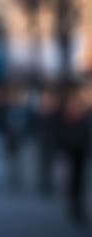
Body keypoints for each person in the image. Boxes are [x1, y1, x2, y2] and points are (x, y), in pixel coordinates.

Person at [58, 84, 91, 226]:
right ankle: (74, 205)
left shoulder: (85, 110)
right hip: (74, 147)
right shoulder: (73, 108)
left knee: (79, 177)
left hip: (82, 147)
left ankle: (77, 205)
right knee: (74, 177)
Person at [35, 85, 59, 196]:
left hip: (52, 140)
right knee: (43, 163)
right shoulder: (39, 112)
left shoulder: (55, 112)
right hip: (43, 140)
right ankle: (43, 183)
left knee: (50, 163)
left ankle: (48, 183)